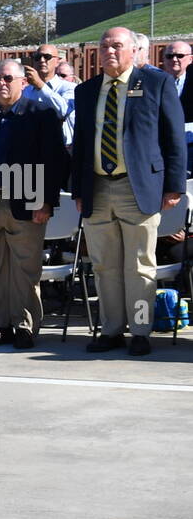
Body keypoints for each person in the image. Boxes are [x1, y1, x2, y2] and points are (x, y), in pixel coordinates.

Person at [73, 27, 187, 357]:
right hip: (97, 187)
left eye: (117, 46)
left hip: (137, 187)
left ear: (134, 50)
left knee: (138, 265)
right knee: (104, 265)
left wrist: (174, 186)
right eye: (104, 46)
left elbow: (174, 139)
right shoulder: (87, 91)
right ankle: (110, 329)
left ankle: (139, 330)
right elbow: (81, 143)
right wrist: (78, 189)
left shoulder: (156, 83)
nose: (110, 51)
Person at [0, 58, 68, 349]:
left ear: (23, 81)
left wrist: (46, 201)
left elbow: (55, 160)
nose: (1, 84)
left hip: (26, 199)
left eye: (8, 78)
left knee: (25, 268)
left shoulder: (41, 114)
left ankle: (24, 326)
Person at [23, 45, 76, 145]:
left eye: (47, 57)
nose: (42, 60)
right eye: (38, 57)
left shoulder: (69, 87)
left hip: (62, 148)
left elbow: (63, 111)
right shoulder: (26, 91)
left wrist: (41, 85)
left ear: (57, 62)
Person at [159, 39, 193, 123]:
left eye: (180, 56)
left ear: (190, 59)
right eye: (169, 56)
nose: (174, 59)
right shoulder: (153, 82)